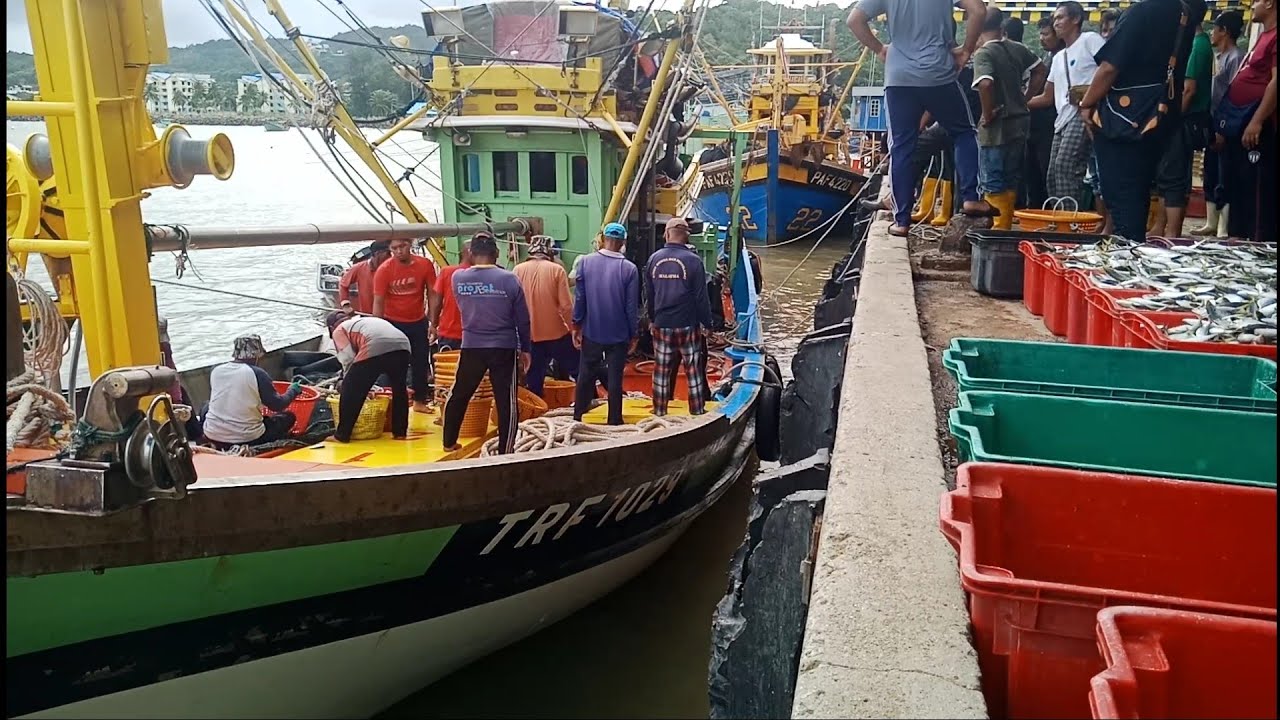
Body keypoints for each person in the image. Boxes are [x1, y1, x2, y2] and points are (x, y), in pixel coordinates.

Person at [847, 0, 997, 237]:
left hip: (899, 78)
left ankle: (901, 221)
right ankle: (971, 197)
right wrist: (967, 49)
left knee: (902, 147)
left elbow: (854, 20)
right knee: (964, 132)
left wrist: (880, 49)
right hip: (938, 73)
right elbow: (978, 9)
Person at [1083, 0, 1208, 241]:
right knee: (1138, 194)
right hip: (1161, 114)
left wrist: (1086, 103)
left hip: (1127, 117)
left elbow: (1110, 67)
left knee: (1122, 200)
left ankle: (1125, 262)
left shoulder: (1145, 10)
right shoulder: (1184, 12)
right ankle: (1131, 251)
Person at [441, 234, 531, 455]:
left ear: (470, 253)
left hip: (472, 344)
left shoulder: (457, 278)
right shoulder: (509, 279)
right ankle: (505, 449)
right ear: (497, 253)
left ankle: (449, 441)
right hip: (504, 346)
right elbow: (523, 319)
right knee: (506, 398)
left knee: (460, 392)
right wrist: (526, 349)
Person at [972, 5, 1048, 227]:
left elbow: (985, 83)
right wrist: (1024, 98)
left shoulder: (984, 53)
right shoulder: (1017, 48)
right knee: (1011, 177)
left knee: (993, 178)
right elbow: (1041, 70)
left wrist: (987, 114)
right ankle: (1004, 227)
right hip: (1020, 122)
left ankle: (996, 230)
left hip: (997, 127)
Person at [1028, 2, 1106, 204]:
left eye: (1060, 17)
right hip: (1061, 119)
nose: (1056, 23)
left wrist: (1091, 98)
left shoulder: (1090, 40)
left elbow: (1108, 68)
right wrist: (1017, 102)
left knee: (1066, 166)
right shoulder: (1058, 57)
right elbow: (1047, 96)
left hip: (1082, 113)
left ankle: (1071, 222)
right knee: (1053, 174)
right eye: (1054, 19)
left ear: (1076, 19)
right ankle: (1059, 219)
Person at [1217, 0, 1276, 242]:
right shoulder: (1264, 36)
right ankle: (1239, 238)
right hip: (1240, 123)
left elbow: (1275, 82)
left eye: (1257, 1)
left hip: (1261, 126)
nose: (1252, 5)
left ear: (1270, 4)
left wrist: (1258, 120)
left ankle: (1257, 243)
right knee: (1240, 185)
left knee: (1257, 191)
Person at [1150, 17, 1215, 239]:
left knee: (1173, 174)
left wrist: (1174, 117)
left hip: (1184, 120)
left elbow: (1189, 88)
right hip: (1182, 118)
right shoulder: (1196, 43)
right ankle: (1161, 227)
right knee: (1166, 174)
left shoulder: (1196, 45)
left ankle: (1172, 231)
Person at [572, 222, 640, 425]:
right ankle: (614, 420)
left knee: (585, 374)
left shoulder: (585, 262)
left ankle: (578, 417)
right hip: (618, 334)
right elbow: (631, 307)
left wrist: (576, 325)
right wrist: (633, 334)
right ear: (623, 243)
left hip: (592, 331)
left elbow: (580, 298)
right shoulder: (629, 269)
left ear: (602, 239)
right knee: (615, 378)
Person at [645, 217, 713, 416]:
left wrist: (651, 320)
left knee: (661, 372)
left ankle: (659, 414)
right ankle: (698, 413)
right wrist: (707, 324)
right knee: (693, 371)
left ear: (666, 234)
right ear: (686, 236)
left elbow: (648, 294)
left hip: (662, 324)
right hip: (687, 325)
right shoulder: (694, 261)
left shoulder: (654, 259)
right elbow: (702, 297)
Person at [1192, 11, 1245, 236]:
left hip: (1226, 123)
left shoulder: (1235, 57)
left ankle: (1224, 226)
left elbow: (1233, 95)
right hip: (1213, 121)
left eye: (1215, 29)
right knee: (1210, 170)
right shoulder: (1219, 57)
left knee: (1225, 173)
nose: (1212, 33)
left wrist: (1224, 126)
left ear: (1225, 31)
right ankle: (1211, 221)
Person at [200, 335, 301, 450]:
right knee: (288, 417)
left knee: (206, 405)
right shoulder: (258, 373)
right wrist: (293, 391)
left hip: (213, 435)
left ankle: (203, 436)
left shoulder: (216, 370)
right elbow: (278, 405)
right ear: (257, 356)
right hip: (250, 438)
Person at [373, 237, 438, 412]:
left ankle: (419, 401)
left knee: (421, 362)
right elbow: (378, 301)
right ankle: (393, 401)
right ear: (390, 250)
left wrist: (433, 321)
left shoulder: (424, 264)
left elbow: (433, 293)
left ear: (410, 245)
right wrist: (377, 330)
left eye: (403, 246)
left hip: (417, 320)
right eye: (395, 248)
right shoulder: (384, 270)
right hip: (392, 322)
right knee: (394, 364)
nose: (399, 251)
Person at [325, 311, 411, 443]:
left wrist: (347, 380)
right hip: (403, 345)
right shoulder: (362, 322)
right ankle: (400, 432)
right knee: (399, 388)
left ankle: (342, 434)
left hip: (375, 344)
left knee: (351, 388)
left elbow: (347, 358)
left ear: (331, 328)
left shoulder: (338, 330)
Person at [513, 235, 578, 398]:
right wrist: (574, 330)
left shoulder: (517, 270)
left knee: (534, 377)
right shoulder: (556, 270)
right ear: (550, 252)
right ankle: (590, 402)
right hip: (556, 333)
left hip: (529, 336)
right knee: (580, 368)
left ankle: (536, 410)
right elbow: (566, 306)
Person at [1022, 17, 1062, 210]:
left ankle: (1049, 210)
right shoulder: (1047, 58)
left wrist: (1018, 103)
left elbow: (1049, 97)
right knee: (1033, 172)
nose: (1041, 38)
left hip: (1050, 123)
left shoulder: (1061, 58)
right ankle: (1035, 209)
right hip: (1035, 124)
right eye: (1040, 34)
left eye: (1046, 34)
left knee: (1047, 170)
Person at [432, 239, 473, 351]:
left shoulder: (447, 272)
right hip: (477, 336)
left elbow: (437, 303)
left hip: (450, 333)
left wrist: (433, 325)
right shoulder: (487, 275)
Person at [337, 240, 390, 315]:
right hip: (367, 314)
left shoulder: (393, 267)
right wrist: (346, 305)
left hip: (391, 315)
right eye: (388, 253)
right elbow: (343, 284)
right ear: (377, 254)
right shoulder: (359, 268)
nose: (390, 256)